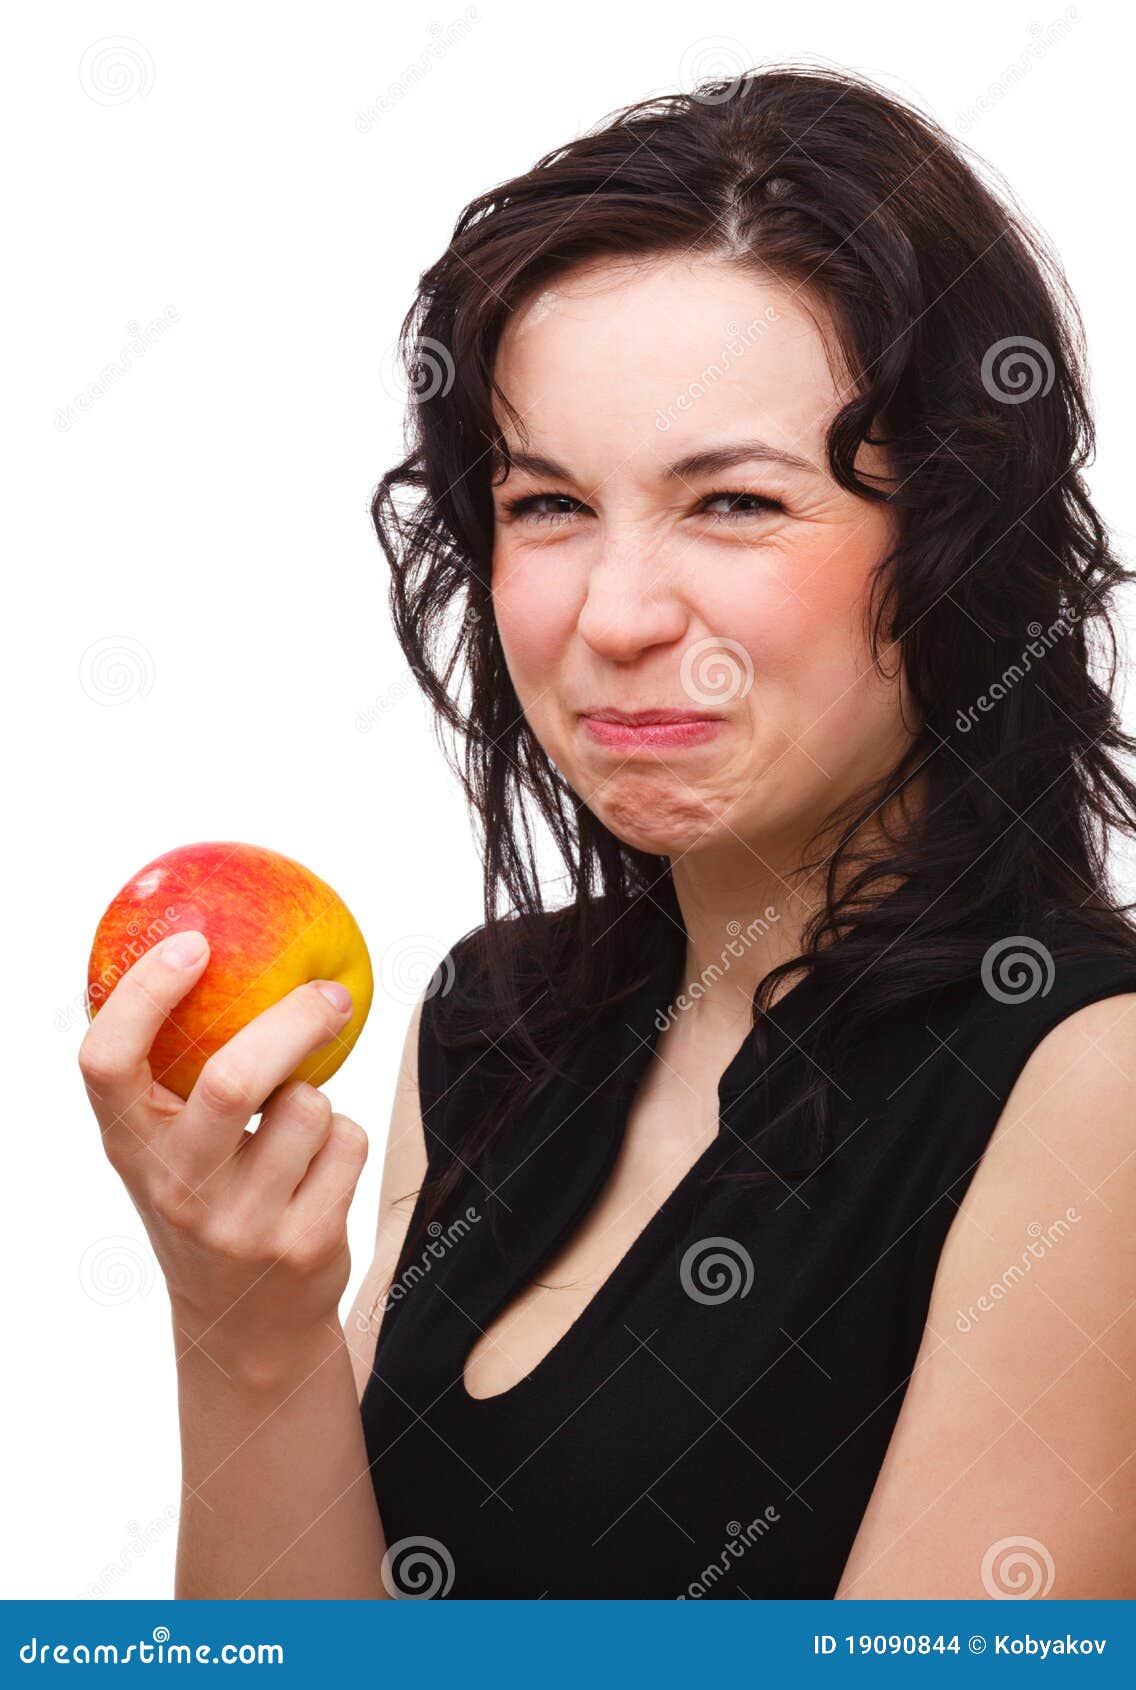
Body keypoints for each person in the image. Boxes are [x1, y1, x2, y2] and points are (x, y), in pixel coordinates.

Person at [80, 62, 1136, 1599]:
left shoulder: (1089, 1079)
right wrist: (245, 1339)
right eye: (549, 505)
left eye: (738, 506)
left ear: (956, 545)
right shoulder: (489, 1027)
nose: (615, 618)